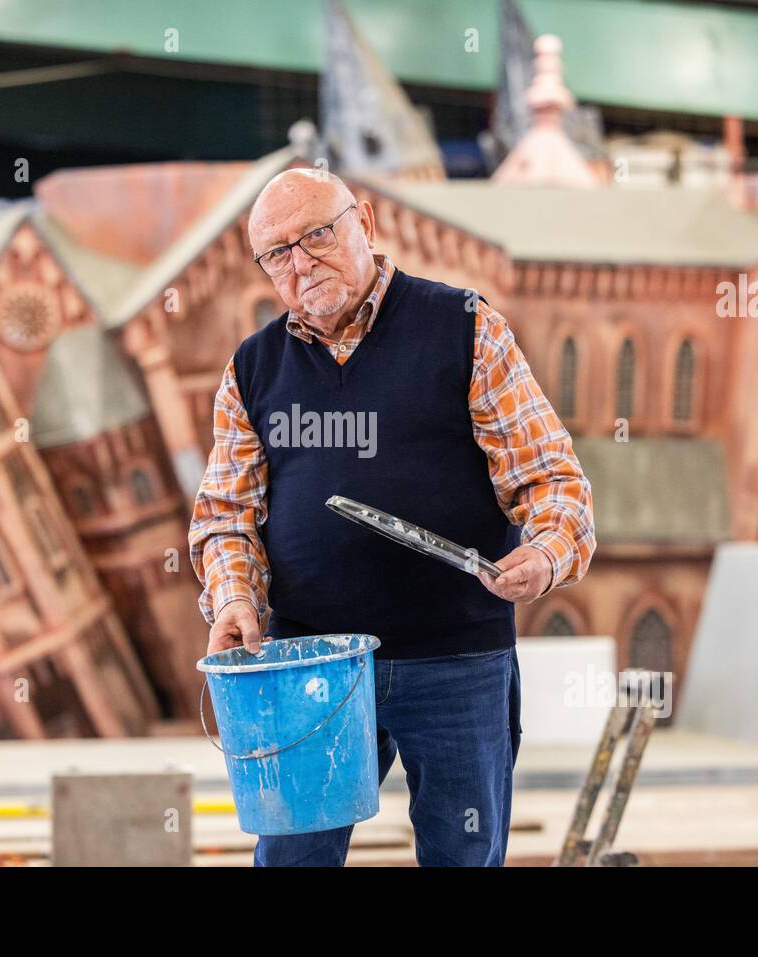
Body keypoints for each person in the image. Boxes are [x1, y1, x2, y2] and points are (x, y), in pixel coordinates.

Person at [188, 168, 595, 866]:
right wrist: (232, 596)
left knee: (463, 853)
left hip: (456, 658)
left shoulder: (465, 328)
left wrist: (547, 552)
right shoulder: (253, 369)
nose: (301, 261)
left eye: (317, 234)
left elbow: (552, 480)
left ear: (365, 223)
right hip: (310, 664)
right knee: (292, 856)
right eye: (278, 252)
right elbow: (227, 514)